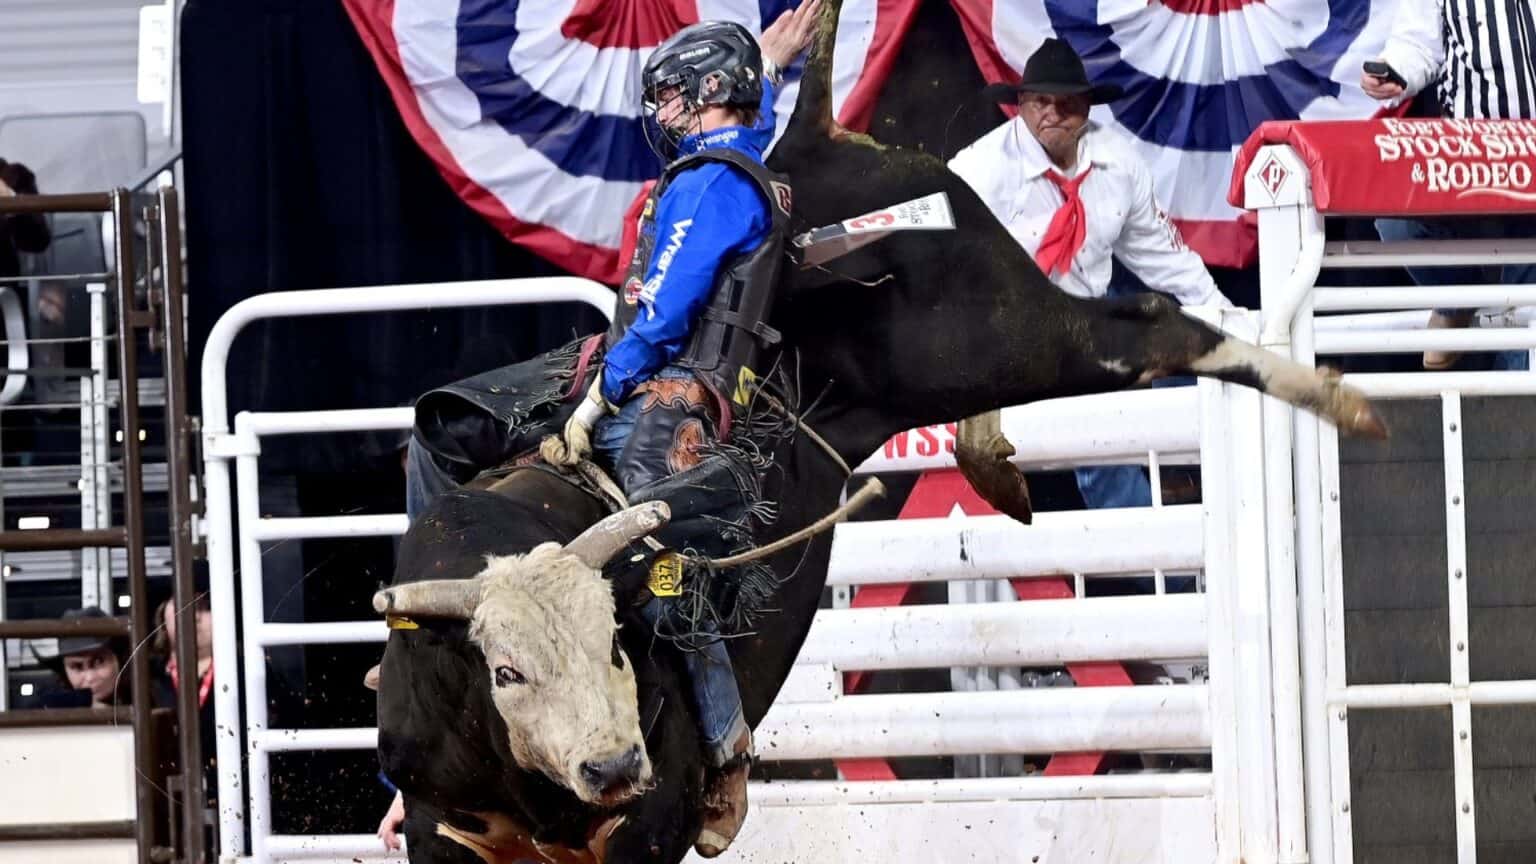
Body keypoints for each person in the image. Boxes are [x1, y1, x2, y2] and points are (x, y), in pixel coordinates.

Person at [395, 5, 819, 857]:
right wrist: (764, 73)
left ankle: (434, 644)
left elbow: (662, 309)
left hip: (652, 403)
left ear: (707, 93)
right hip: (678, 397)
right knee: (660, 579)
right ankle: (720, 749)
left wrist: (598, 400)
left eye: (670, 97)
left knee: (449, 434)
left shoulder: (707, 183)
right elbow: (743, 146)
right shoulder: (739, 169)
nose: (657, 113)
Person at [947, 38, 1233, 511]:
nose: (1054, 113)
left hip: (1090, 329)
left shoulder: (1117, 164)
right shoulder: (979, 169)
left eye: (1067, 102)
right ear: (1020, 106)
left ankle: (1215, 512)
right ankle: (1160, 558)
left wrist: (1226, 317)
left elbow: (1165, 256)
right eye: (1041, 101)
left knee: (1211, 375)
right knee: (1100, 440)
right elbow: (930, 250)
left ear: (1086, 110)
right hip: (1006, 340)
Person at [1362, 0, 1535, 371]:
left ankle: (1515, 411)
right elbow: (1417, 44)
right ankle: (1456, 300)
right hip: (1467, 156)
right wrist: (1395, 72)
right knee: (1397, 223)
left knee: (1525, 306)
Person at [42, 606, 129, 709]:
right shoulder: (50, 708)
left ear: (118, 659)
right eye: (77, 667)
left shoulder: (144, 694)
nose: (90, 678)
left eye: (98, 662)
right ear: (64, 670)